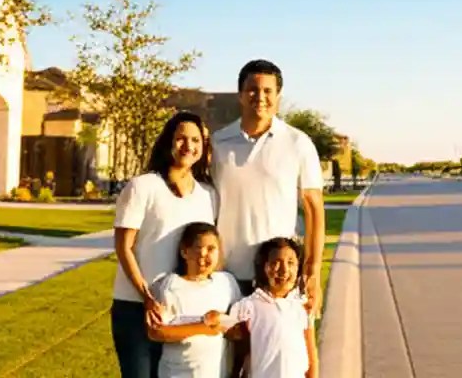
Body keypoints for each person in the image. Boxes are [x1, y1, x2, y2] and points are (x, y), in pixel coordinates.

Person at [210, 59, 325, 312]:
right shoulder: (218, 143)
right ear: (240, 95)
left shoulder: (298, 143)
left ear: (278, 96)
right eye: (252, 89)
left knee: (282, 351)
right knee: (230, 352)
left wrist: (312, 271)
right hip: (226, 275)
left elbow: (314, 210)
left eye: (267, 91)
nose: (260, 97)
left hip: (280, 277)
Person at [112, 112, 218, 378]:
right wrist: (147, 297)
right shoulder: (142, 187)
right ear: (168, 141)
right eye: (181, 138)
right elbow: (124, 247)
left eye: (195, 140)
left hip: (184, 309)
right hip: (136, 307)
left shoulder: (209, 195)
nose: (188, 145)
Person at [147, 222, 244, 378]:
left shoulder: (226, 282)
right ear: (184, 252)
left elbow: (239, 328)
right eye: (198, 248)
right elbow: (157, 332)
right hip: (177, 372)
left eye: (211, 249)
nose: (203, 255)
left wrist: (222, 321)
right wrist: (204, 326)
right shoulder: (170, 285)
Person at [230, 237, 319, 378]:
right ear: (263, 267)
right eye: (275, 263)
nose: (284, 271)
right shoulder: (248, 306)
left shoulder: (303, 306)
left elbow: (312, 358)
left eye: (291, 263)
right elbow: (236, 353)